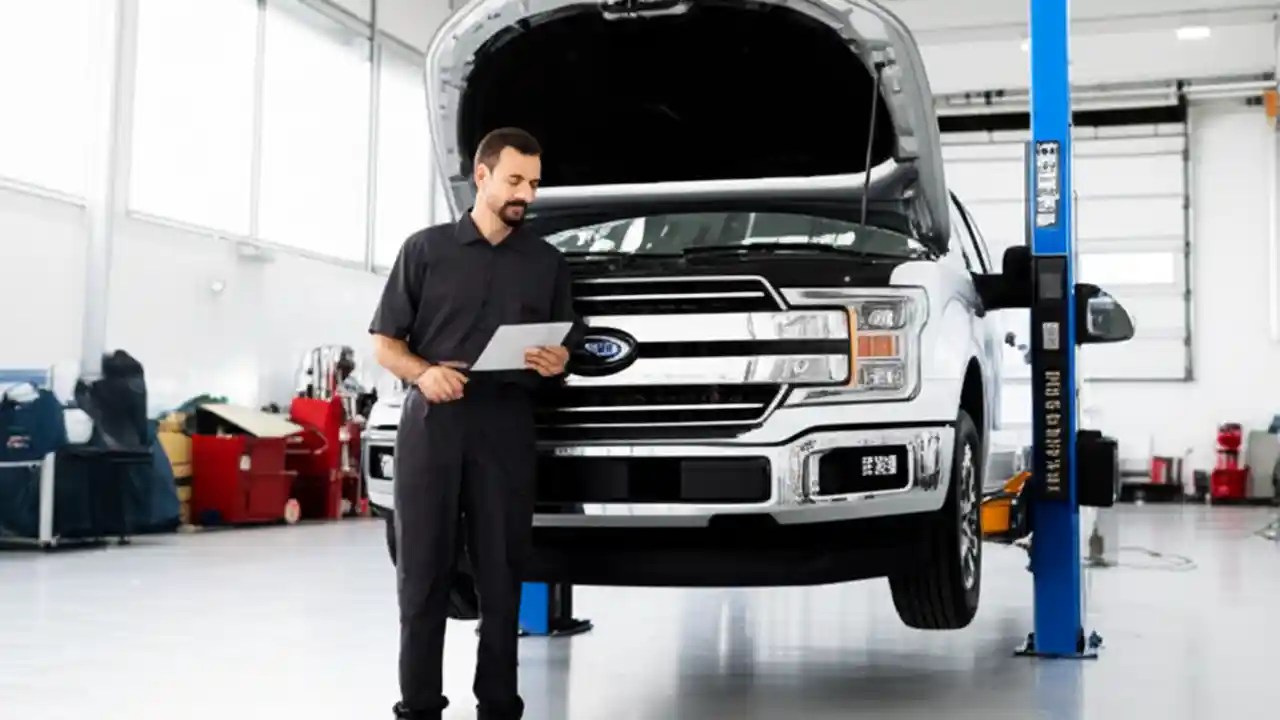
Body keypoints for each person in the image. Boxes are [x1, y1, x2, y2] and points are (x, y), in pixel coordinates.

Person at [368, 127, 578, 720]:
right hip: (435, 420)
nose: (527, 195)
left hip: (507, 423)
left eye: (534, 183)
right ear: (481, 176)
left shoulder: (546, 262)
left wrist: (558, 362)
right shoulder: (425, 250)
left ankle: (499, 704)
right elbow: (386, 344)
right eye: (515, 181)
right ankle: (418, 706)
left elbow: (562, 350)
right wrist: (423, 373)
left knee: (503, 570)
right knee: (423, 571)